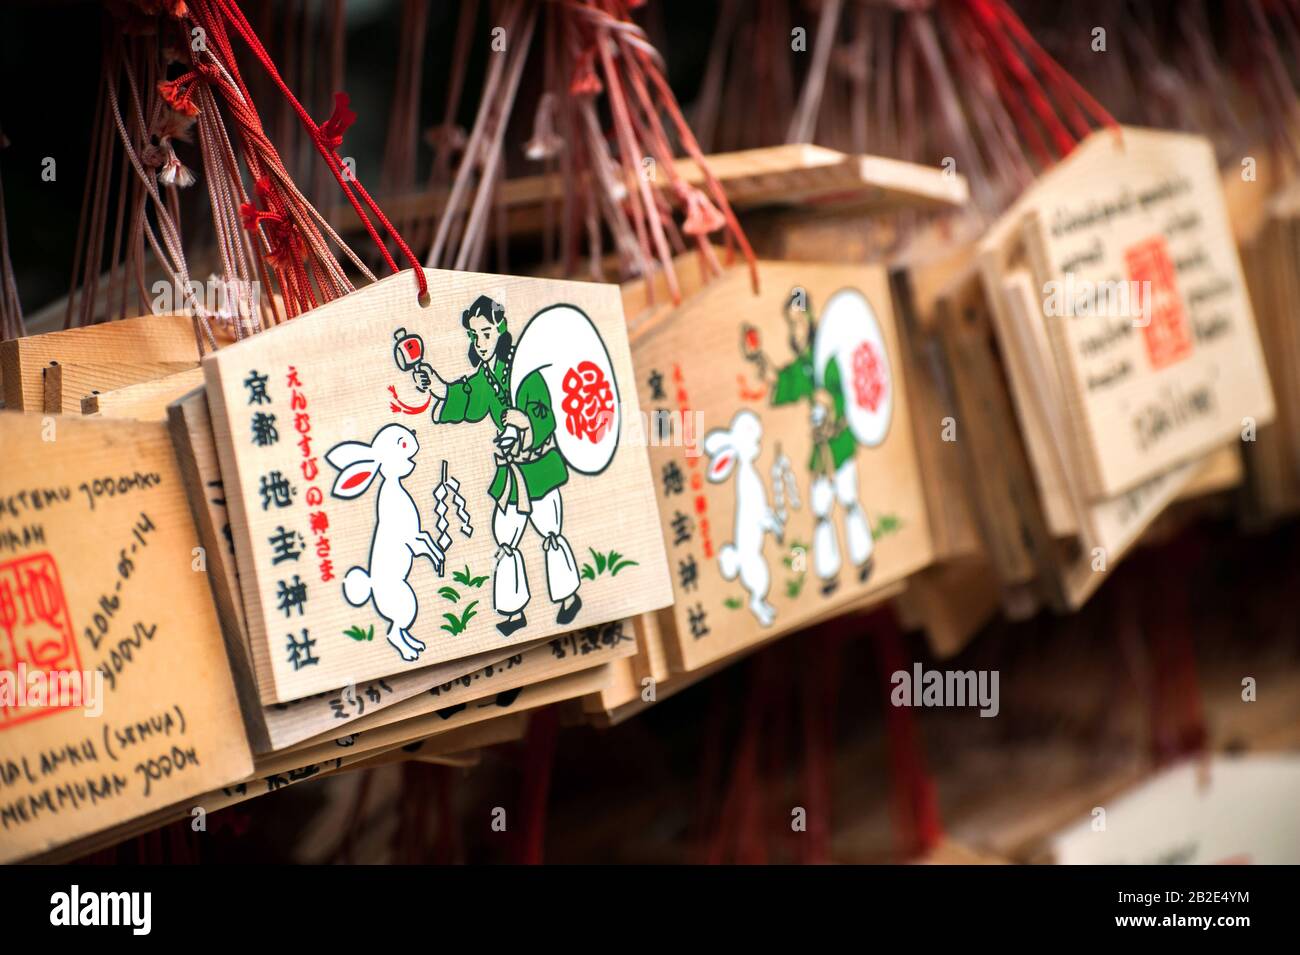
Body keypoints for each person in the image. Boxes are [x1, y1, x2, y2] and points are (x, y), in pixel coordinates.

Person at [425, 295, 582, 636]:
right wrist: (436, 385)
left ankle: (568, 596)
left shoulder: (525, 366)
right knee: (505, 538)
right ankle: (513, 611)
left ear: (501, 329)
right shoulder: (487, 377)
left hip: (537, 465)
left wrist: (525, 421)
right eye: (474, 336)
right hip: (511, 470)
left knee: (550, 530)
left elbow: (544, 412)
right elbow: (466, 395)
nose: (479, 343)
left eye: (485, 334)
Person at [742, 289, 874, 595]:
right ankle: (828, 572)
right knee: (821, 507)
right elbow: (778, 379)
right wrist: (758, 356)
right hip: (820, 450)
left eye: (799, 323)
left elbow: (850, 393)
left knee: (850, 499)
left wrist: (832, 408)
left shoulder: (831, 357)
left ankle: (863, 556)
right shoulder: (803, 366)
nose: (795, 331)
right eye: (791, 325)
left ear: (812, 322)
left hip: (839, 443)